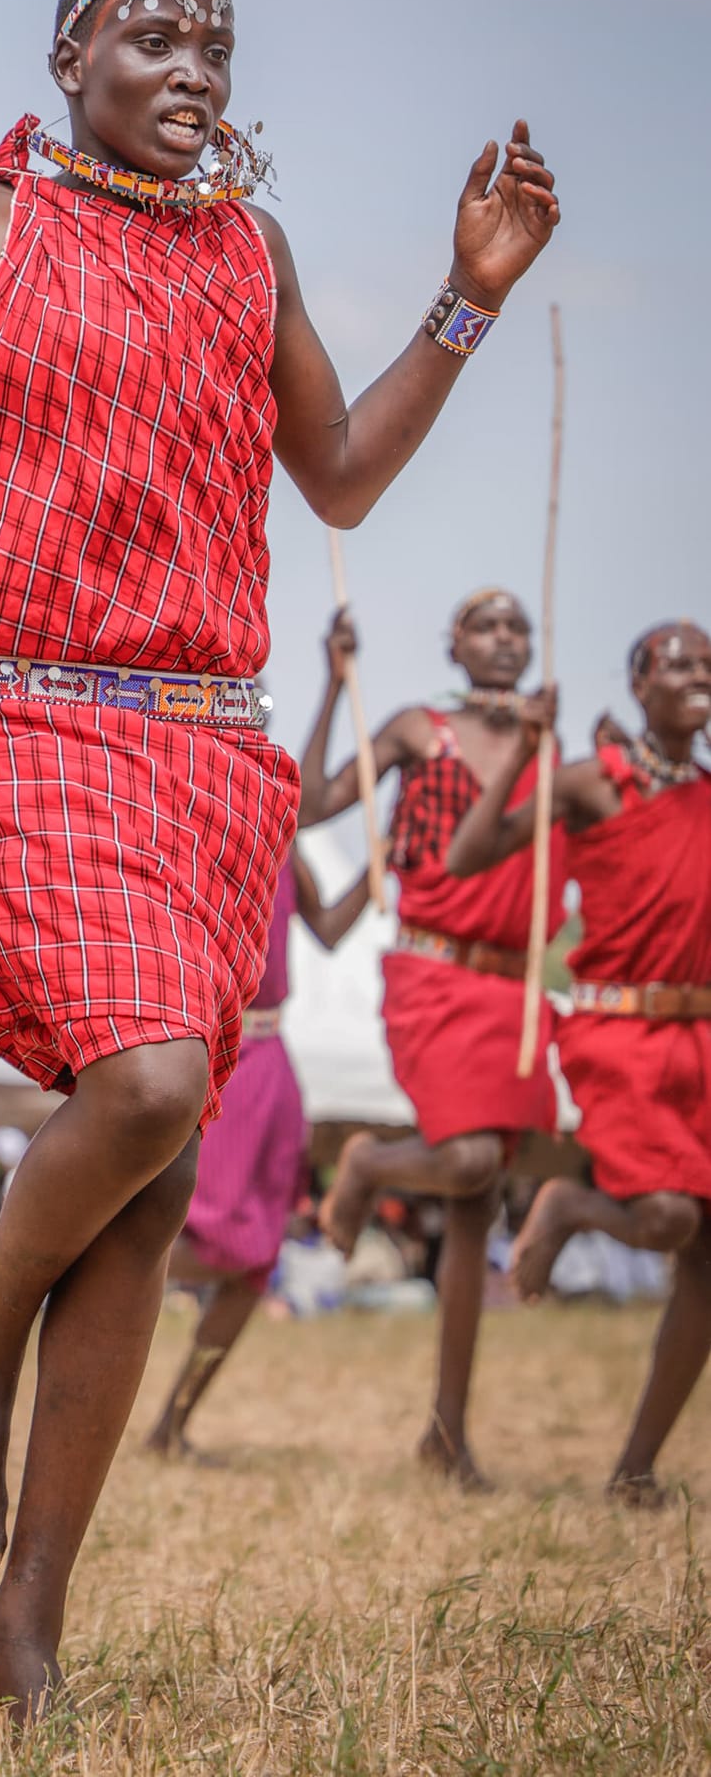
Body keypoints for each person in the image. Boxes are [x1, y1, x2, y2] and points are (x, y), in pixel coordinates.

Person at [0, 0, 559, 1718]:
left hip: (205, 757)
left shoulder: (250, 254)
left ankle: (26, 1615)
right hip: (26, 727)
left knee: (157, 1182)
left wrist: (467, 298)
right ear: (70, 50)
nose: (195, 62)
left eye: (219, 41)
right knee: (160, 1088)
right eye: (155, 32)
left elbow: (335, 474)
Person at [299, 591, 565, 1487]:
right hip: (434, 971)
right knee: (462, 1164)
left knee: (477, 1195)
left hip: (515, 986)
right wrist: (336, 687)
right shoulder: (418, 730)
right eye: (485, 627)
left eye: (517, 628)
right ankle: (369, 1162)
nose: (504, 640)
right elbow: (308, 808)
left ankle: (446, 1434)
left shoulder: (553, 744)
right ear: (453, 646)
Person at [448, 622, 711, 1502]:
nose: (697, 673)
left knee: (705, 1258)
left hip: (702, 1040)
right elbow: (469, 854)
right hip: (617, 1035)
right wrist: (528, 749)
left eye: (707, 662)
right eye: (677, 662)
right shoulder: (592, 783)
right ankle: (564, 1204)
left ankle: (634, 1470)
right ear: (638, 684)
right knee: (667, 1217)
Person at [146, 847, 369, 1459]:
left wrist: (377, 866)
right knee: (219, 1241)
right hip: (213, 1046)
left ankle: (172, 1425)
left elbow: (325, 929)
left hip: (272, 1058)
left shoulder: (286, 843)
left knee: (257, 1260)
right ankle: (75, 1266)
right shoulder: (192, 826)